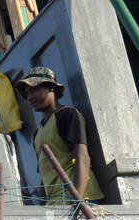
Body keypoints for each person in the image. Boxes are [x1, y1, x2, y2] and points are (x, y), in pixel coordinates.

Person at [15, 67, 104, 205]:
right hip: (56, 204)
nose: (29, 97)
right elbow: (44, 176)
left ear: (51, 88)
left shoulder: (67, 115)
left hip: (79, 200)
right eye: (26, 93)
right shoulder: (38, 133)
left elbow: (82, 157)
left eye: (33, 90)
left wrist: (77, 200)